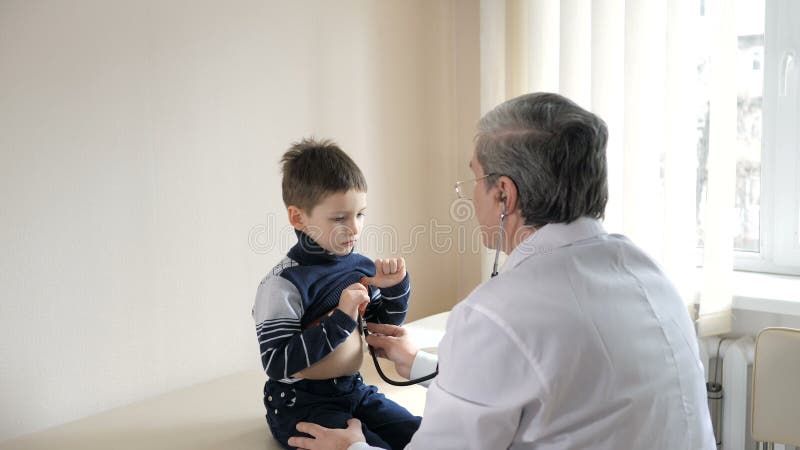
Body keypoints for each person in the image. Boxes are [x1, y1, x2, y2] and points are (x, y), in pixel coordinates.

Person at [287, 93, 716, 450]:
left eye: (475, 178)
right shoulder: (650, 274)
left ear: (504, 194)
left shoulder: (495, 315)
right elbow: (558, 391)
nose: (471, 194)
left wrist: (354, 449)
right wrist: (419, 363)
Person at [252, 138, 421, 450]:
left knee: (423, 434)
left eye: (360, 214)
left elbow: (380, 327)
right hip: (300, 403)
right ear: (298, 218)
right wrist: (342, 318)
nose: (355, 229)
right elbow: (277, 363)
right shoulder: (283, 283)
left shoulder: (358, 265)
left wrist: (396, 287)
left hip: (353, 390)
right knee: (369, 444)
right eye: (339, 218)